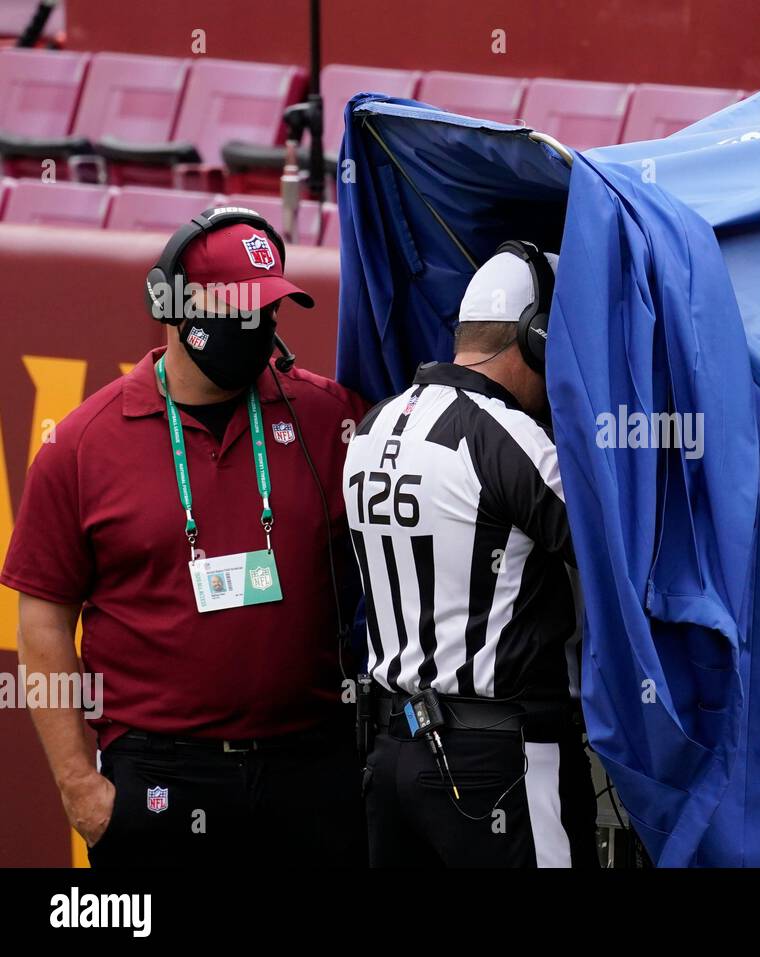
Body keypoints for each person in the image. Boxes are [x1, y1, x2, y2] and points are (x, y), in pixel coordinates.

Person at [1, 207, 369, 867]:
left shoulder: (327, 417)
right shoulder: (83, 444)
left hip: (311, 771)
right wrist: (80, 785)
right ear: (173, 304)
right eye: (239, 309)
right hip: (161, 775)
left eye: (270, 310)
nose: (256, 327)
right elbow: (42, 619)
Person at [345, 241, 596, 867]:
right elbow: (616, 553)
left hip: (392, 749)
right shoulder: (503, 433)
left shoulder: (374, 424)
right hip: (495, 758)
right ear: (538, 338)